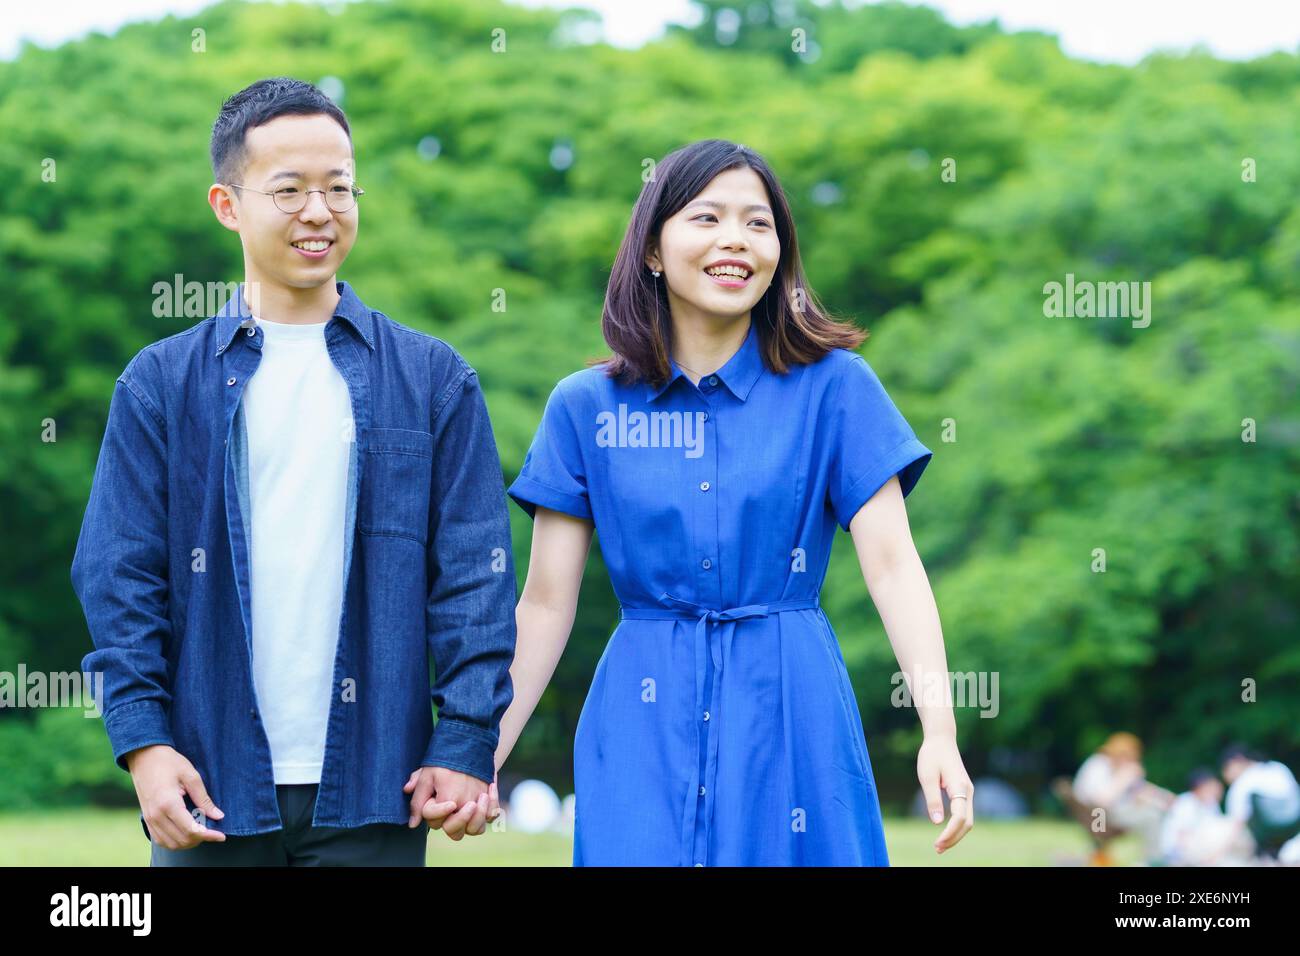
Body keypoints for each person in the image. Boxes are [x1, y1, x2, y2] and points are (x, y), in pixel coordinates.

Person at [484, 138, 974, 865]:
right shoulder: (583, 407)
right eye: (707, 218)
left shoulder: (836, 388)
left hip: (790, 701)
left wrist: (940, 729)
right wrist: (481, 752)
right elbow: (547, 603)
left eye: (758, 223)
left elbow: (895, 568)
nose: (735, 242)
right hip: (641, 714)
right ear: (653, 250)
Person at [70, 77, 516, 866]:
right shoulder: (162, 384)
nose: (320, 211)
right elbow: (118, 575)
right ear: (227, 204)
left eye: (339, 188)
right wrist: (143, 744)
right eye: (290, 190)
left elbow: (474, 582)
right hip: (209, 787)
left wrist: (467, 736)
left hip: (379, 786)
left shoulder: (435, 379)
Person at [1072, 732, 1173, 864]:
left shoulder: (1111, 767)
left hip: (1101, 816)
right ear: (1122, 754)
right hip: (1098, 817)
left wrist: (1162, 796)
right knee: (1152, 816)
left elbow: (1140, 790)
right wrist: (1125, 777)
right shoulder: (1099, 765)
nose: (1134, 761)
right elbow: (1101, 800)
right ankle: (1154, 862)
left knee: (1153, 809)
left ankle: (1154, 859)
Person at [1219, 743, 1300, 860]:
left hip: (1273, 828)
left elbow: (1235, 822)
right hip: (1296, 820)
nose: (1226, 777)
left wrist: (1217, 853)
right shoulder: (1277, 766)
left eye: (1226, 770)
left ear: (1236, 762)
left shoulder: (1243, 783)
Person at [1159, 768, 1254, 866]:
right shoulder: (1186, 803)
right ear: (1199, 788)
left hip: (1202, 849)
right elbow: (1181, 836)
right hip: (1180, 852)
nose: (1217, 789)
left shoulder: (1211, 804)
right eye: (1212, 786)